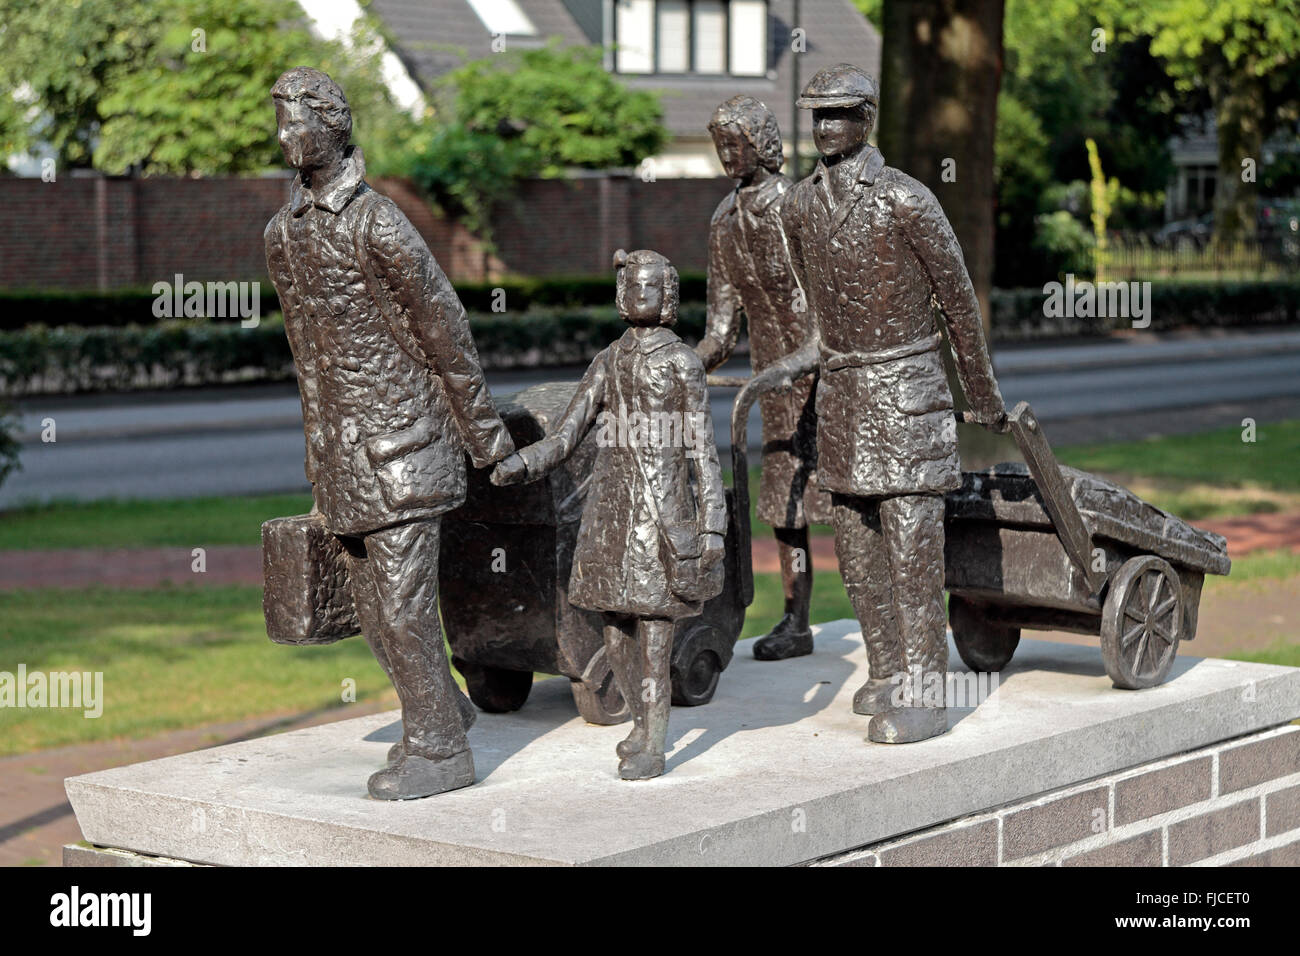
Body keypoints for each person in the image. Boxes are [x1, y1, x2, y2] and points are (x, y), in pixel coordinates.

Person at [264, 67, 515, 798]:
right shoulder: (284, 236)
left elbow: (445, 329)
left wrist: (484, 435)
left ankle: (441, 751)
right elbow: (306, 358)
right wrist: (317, 455)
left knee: (403, 605)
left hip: (408, 441)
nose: (284, 136)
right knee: (373, 608)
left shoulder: (378, 221)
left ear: (334, 126)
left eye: (295, 120)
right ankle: (442, 714)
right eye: (277, 122)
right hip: (344, 452)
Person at [760, 64, 1007, 744]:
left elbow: (959, 303)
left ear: (867, 118)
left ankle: (927, 693)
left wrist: (979, 393)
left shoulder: (906, 199)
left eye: (839, 113)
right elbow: (816, 308)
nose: (825, 127)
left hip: (907, 392)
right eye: (816, 115)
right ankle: (888, 668)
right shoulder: (798, 206)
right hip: (842, 393)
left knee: (913, 547)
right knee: (857, 543)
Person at [492, 250, 726, 780]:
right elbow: (567, 434)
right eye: (634, 287)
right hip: (611, 518)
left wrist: (713, 524)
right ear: (623, 296)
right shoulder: (608, 361)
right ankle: (641, 724)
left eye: (652, 288)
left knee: (655, 634)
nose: (641, 296)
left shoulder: (682, 363)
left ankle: (657, 741)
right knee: (614, 630)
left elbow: (702, 451)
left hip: (664, 518)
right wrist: (521, 463)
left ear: (667, 298)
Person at [696, 95, 831, 662]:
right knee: (785, 507)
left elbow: (832, 299)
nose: (728, 154)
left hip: (828, 377)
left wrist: (807, 357)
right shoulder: (724, 224)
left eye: (737, 143)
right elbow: (721, 330)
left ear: (762, 144)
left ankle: (889, 619)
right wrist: (676, 362)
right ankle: (795, 620)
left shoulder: (798, 206)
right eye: (720, 144)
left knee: (849, 500)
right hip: (773, 390)